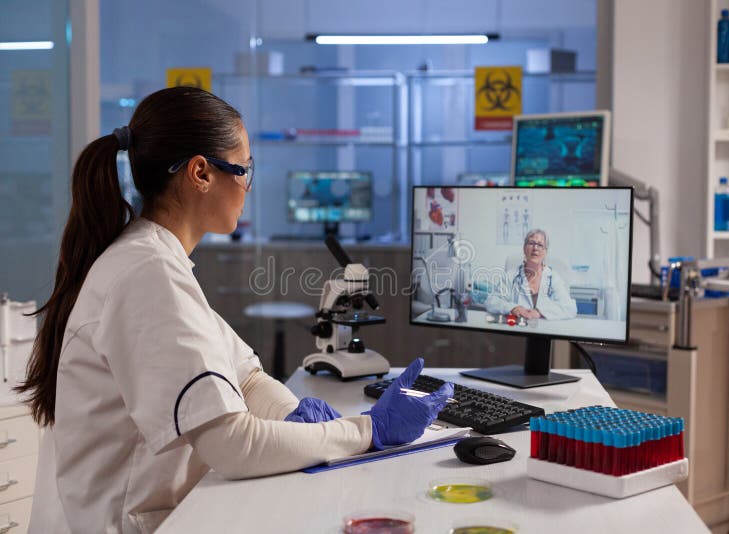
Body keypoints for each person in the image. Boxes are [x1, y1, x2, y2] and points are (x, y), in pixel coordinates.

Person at [16, 87, 452, 534]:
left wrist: (290, 414)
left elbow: (243, 374)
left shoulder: (156, 259)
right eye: (244, 170)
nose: (247, 186)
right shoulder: (147, 274)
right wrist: (365, 432)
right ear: (201, 173)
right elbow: (232, 445)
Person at [485, 229, 577, 320]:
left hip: (546, 330)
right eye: (531, 243)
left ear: (545, 252)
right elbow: (492, 301)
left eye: (540, 245)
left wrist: (540, 312)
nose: (535, 248)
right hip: (517, 328)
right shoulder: (511, 276)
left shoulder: (553, 278)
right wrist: (513, 308)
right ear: (524, 249)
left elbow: (570, 308)